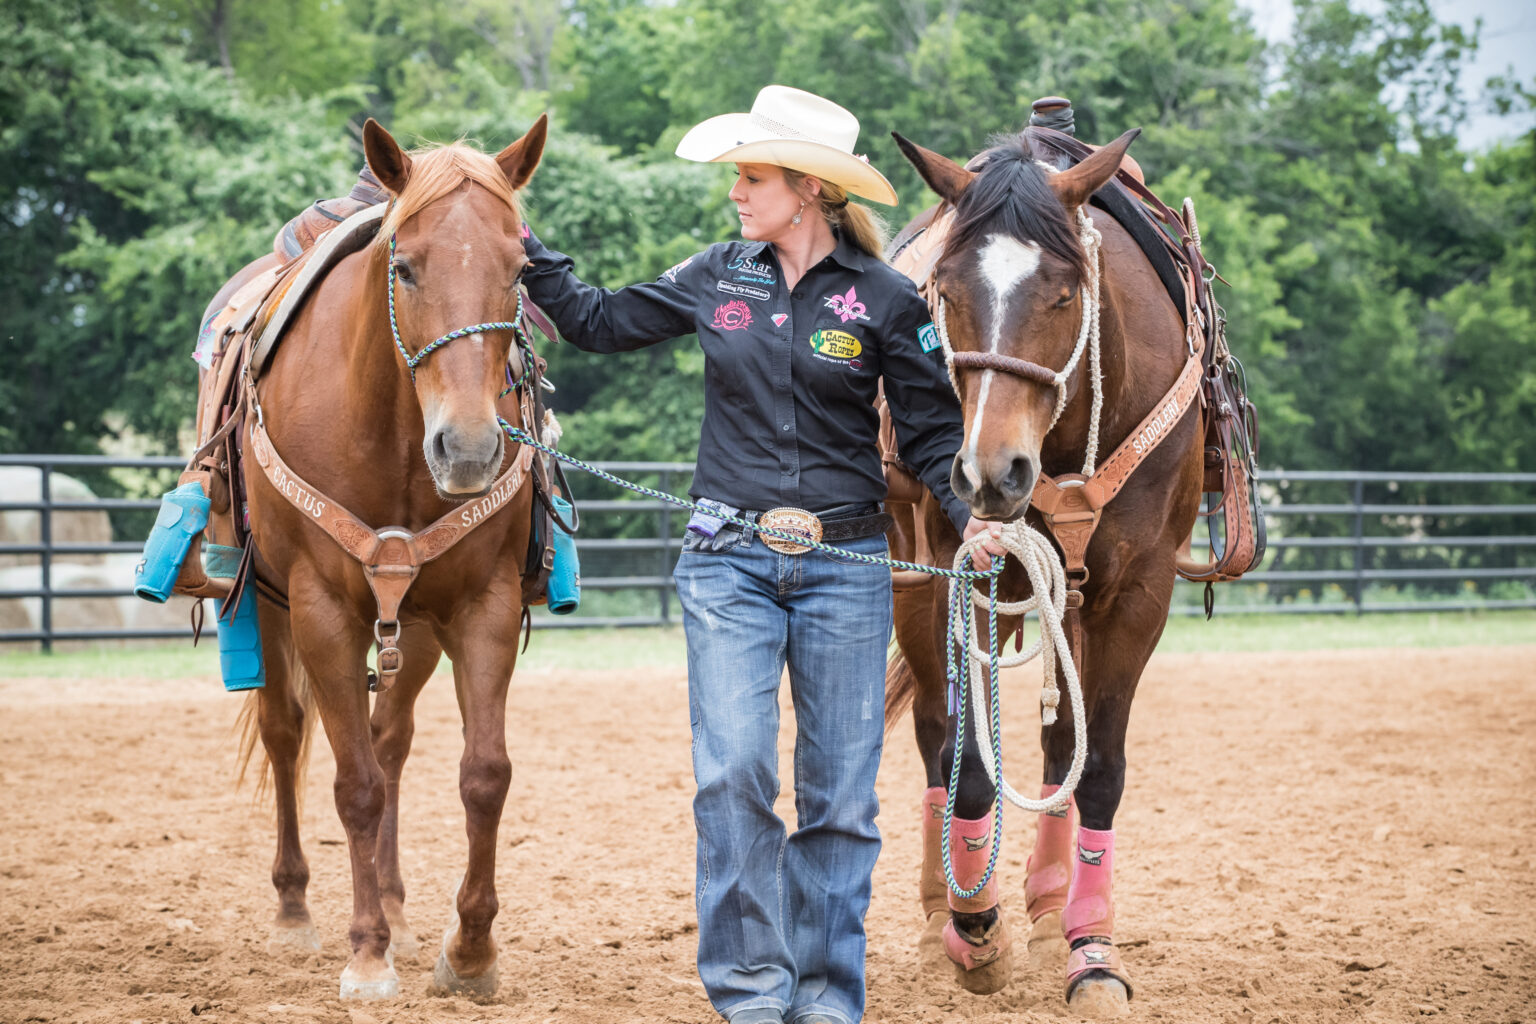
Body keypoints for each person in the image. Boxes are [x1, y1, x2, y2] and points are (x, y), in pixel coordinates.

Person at [524, 87, 1002, 1024]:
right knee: (733, 774)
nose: (737, 192)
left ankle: (823, 999)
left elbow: (933, 434)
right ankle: (750, 994)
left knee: (839, 798)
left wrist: (972, 518)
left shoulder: (888, 299)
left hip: (846, 566)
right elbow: (598, 320)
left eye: (753, 177)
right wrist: (525, 247)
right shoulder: (715, 275)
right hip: (726, 562)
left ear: (808, 189)